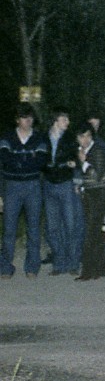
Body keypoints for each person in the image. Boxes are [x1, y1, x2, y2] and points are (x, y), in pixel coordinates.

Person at [0, 105, 50, 278]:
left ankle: (32, 267)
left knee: (34, 228)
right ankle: (5, 267)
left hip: (33, 186)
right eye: (24, 117)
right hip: (11, 186)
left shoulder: (39, 138)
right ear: (17, 119)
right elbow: (4, 160)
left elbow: (41, 162)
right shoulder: (7, 137)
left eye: (30, 118)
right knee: (9, 229)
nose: (28, 121)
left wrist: (18, 158)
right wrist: (27, 157)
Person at [41, 109, 83, 275]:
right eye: (64, 119)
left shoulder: (70, 139)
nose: (67, 122)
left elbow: (77, 159)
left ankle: (73, 263)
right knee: (52, 226)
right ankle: (59, 263)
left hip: (65, 184)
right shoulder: (43, 138)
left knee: (70, 224)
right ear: (55, 120)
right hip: (49, 184)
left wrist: (73, 166)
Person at [74, 122, 105, 280]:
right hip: (90, 194)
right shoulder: (82, 150)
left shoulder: (97, 150)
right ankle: (101, 268)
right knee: (95, 231)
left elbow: (96, 175)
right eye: (82, 136)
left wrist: (84, 162)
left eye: (88, 136)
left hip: (100, 194)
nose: (85, 139)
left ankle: (88, 271)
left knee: (91, 232)